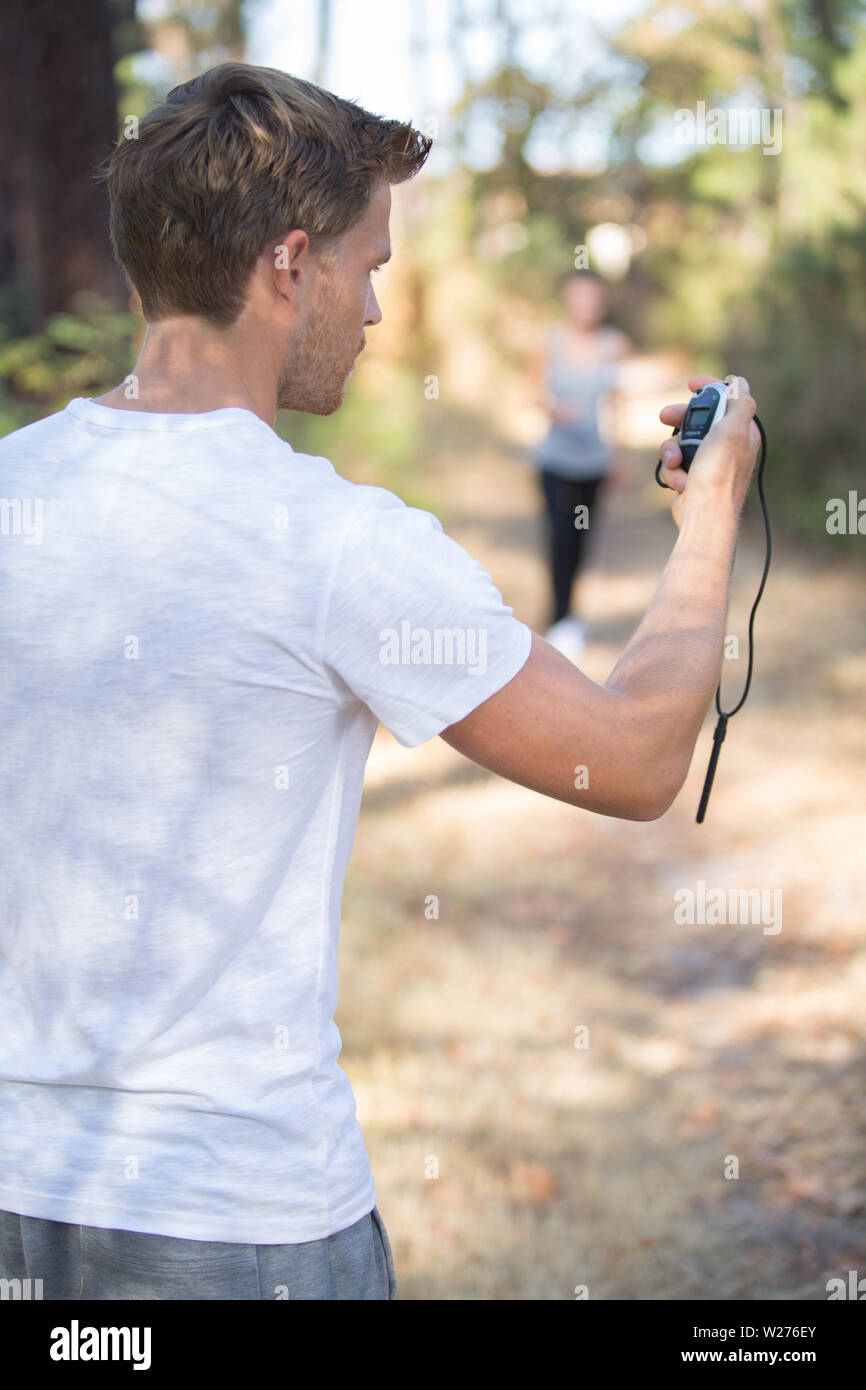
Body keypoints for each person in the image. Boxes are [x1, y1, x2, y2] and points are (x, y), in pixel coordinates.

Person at [0, 61, 760, 1302]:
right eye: (369, 266)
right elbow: (631, 760)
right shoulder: (329, 540)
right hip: (235, 1220)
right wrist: (710, 518)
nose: (374, 308)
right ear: (288, 265)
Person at [529, 270, 631, 660]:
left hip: (593, 462)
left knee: (582, 538)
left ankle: (567, 614)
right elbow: (533, 392)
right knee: (560, 537)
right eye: (580, 297)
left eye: (594, 298)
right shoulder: (549, 342)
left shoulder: (614, 344)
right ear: (568, 300)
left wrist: (616, 459)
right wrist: (556, 409)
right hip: (555, 460)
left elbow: (617, 403)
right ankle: (560, 617)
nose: (587, 305)